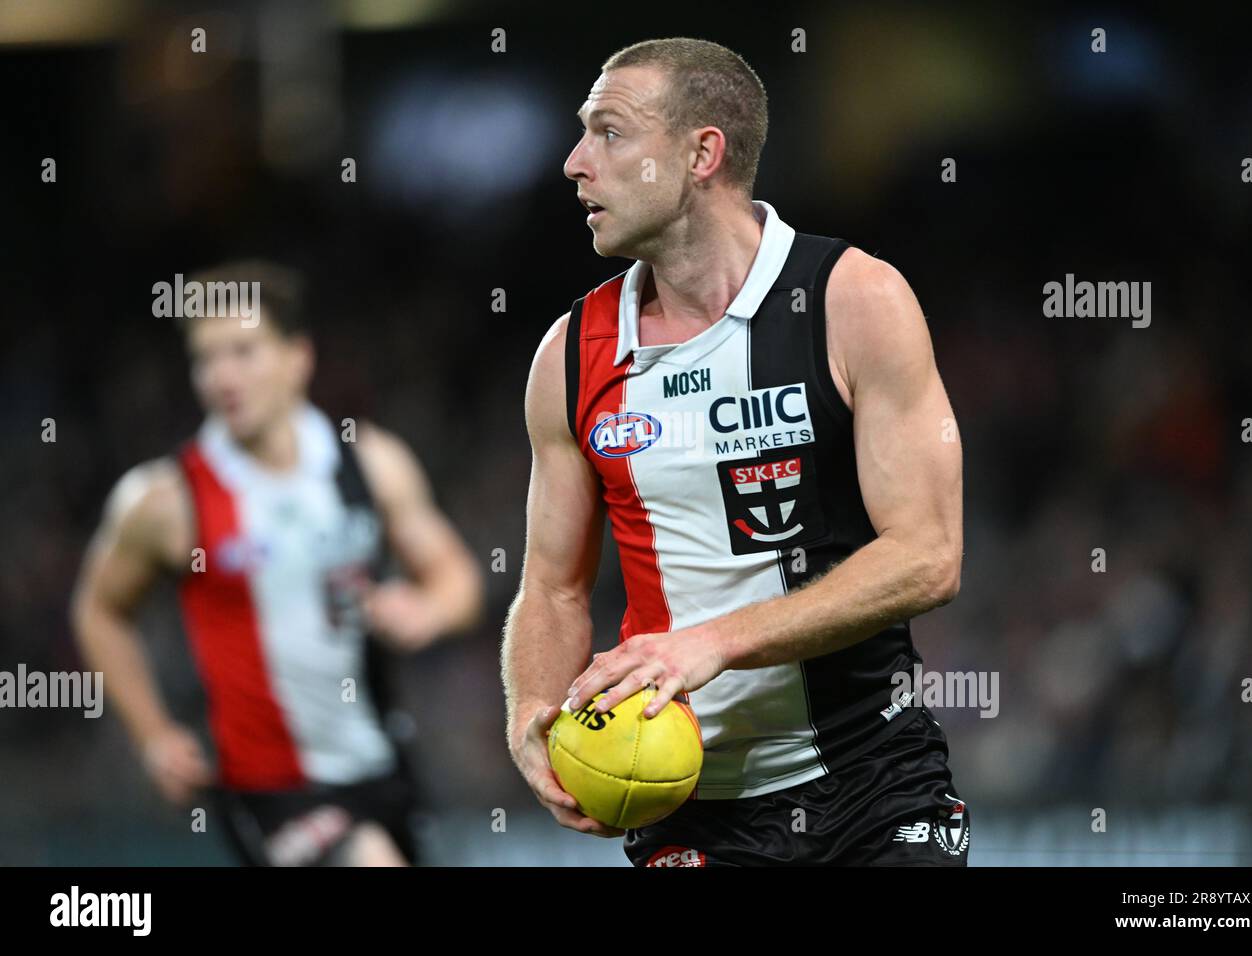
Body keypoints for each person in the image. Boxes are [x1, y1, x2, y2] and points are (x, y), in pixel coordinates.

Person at [502, 38, 968, 866]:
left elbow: (928, 556)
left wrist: (712, 641)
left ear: (701, 153)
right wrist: (532, 711)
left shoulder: (853, 301)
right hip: (689, 806)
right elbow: (552, 585)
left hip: (874, 778)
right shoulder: (570, 355)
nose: (575, 163)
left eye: (609, 132)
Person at [72, 260, 484, 866]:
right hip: (269, 790)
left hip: (382, 765)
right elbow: (99, 610)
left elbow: (460, 581)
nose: (222, 377)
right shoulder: (167, 501)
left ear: (298, 357)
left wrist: (425, 609)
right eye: (206, 359)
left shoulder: (369, 462)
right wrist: (154, 736)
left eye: (243, 352)